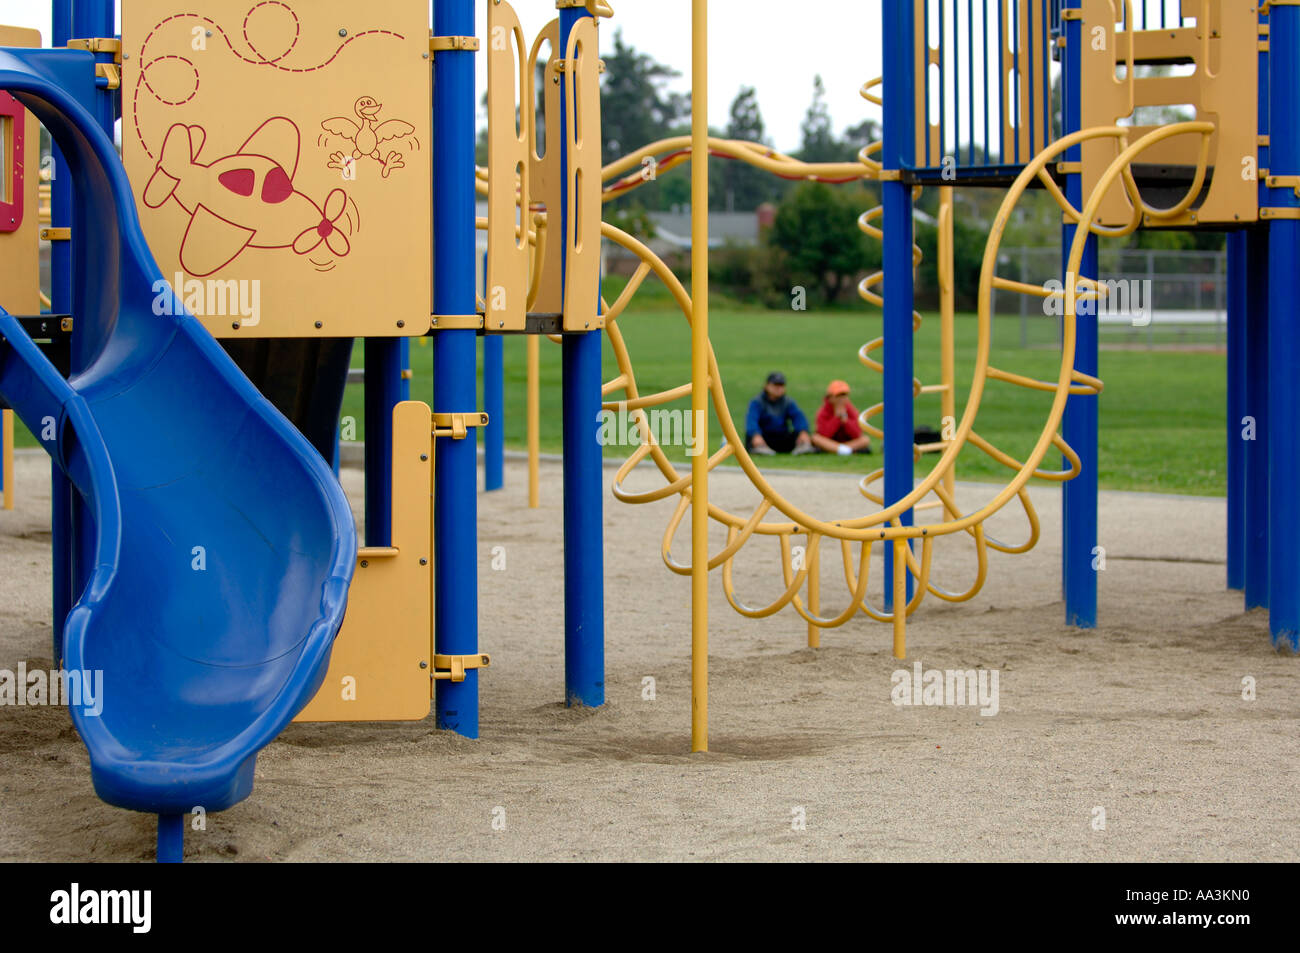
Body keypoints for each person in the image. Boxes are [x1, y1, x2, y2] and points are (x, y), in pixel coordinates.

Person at [745, 372, 814, 455]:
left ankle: (803, 446)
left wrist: (803, 431)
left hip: (781, 436)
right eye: (775, 385)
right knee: (751, 437)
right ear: (767, 386)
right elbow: (751, 421)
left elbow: (798, 417)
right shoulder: (757, 402)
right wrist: (755, 434)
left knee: (799, 434)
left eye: (781, 385)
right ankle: (759, 448)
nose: (778, 388)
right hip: (763, 436)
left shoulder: (788, 402)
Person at [812, 379, 873, 455]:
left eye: (844, 396)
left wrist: (846, 421)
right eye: (838, 396)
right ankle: (845, 450)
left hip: (848, 442)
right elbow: (824, 434)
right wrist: (836, 419)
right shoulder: (823, 412)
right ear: (830, 397)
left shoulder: (851, 410)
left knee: (865, 439)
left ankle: (841, 450)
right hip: (830, 442)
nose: (841, 399)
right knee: (816, 438)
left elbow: (857, 434)